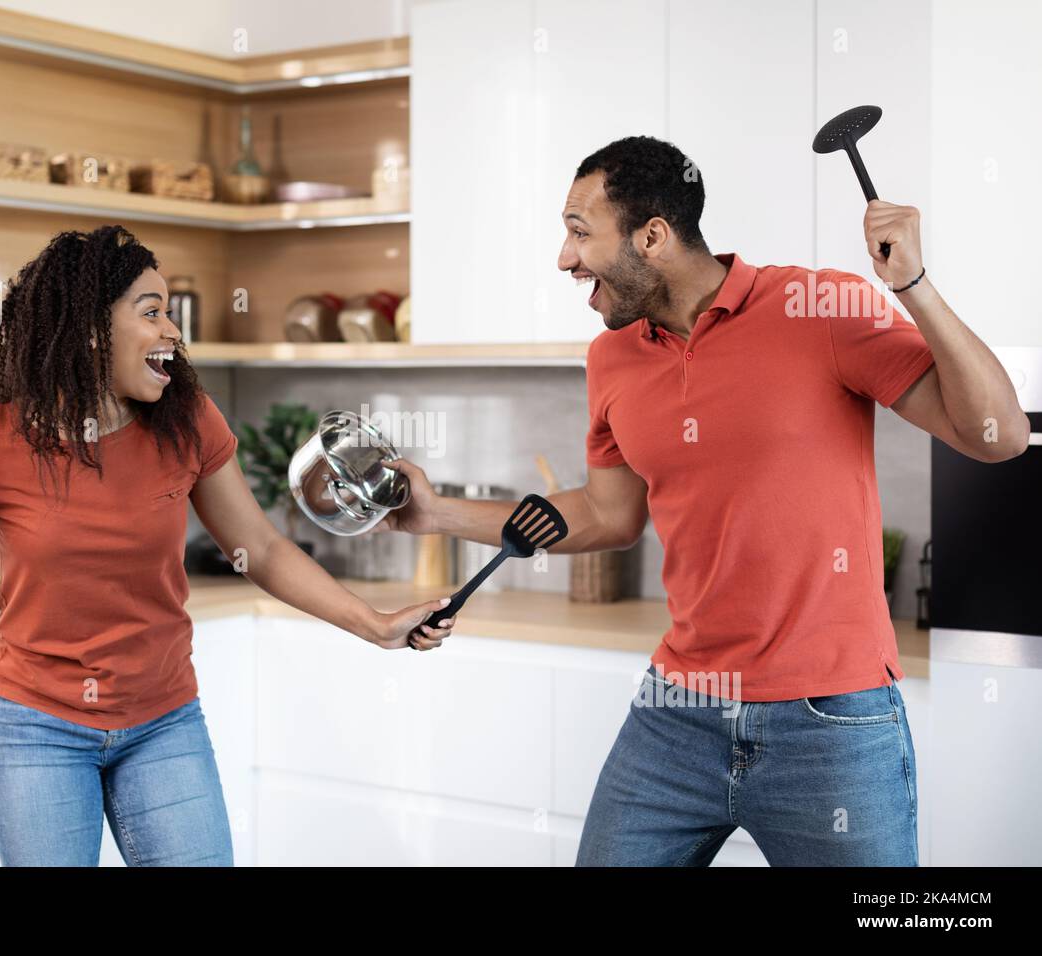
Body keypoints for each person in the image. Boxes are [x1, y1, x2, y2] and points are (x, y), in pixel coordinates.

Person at [388, 135, 1029, 866]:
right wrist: (437, 512)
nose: (564, 260)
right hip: (676, 711)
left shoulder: (819, 306)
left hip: (830, 718)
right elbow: (607, 513)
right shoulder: (612, 356)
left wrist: (914, 286)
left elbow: (997, 435)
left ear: (652, 237)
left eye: (578, 233)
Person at [0, 225, 456, 867]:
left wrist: (375, 625)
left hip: (163, 722)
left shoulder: (187, 424)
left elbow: (261, 551)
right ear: (92, 329)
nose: (172, 332)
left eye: (171, 313)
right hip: (36, 730)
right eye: (151, 312)